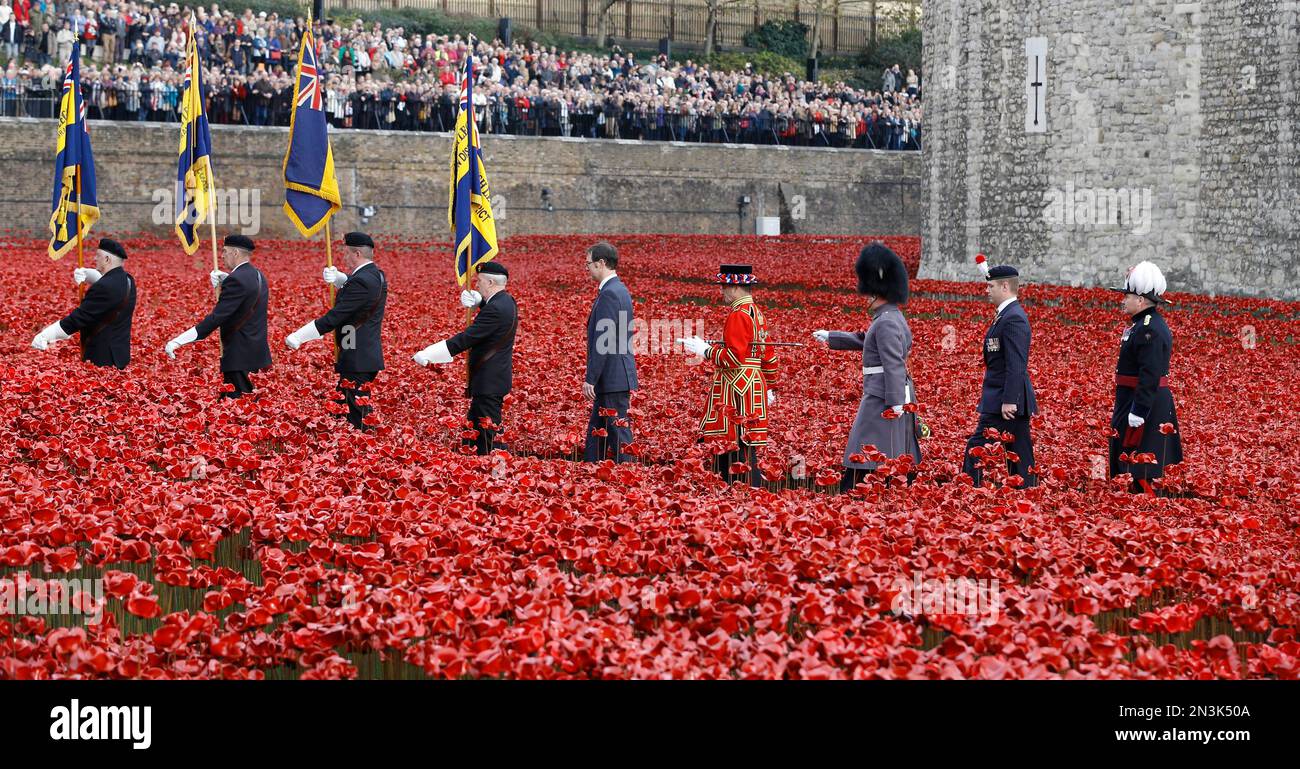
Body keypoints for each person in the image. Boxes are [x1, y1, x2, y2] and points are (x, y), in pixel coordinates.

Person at [812, 243, 921, 492]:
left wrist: (894, 402)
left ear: (876, 291)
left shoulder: (886, 322)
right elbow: (865, 339)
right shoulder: (889, 318)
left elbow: (893, 362)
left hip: (882, 394)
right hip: (883, 391)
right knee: (878, 444)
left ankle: (866, 488)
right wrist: (832, 337)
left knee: (872, 445)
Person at [677, 264, 778, 486]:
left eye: (724, 286)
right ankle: (746, 488)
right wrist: (770, 384)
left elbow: (733, 358)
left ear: (734, 288)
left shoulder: (738, 314)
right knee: (745, 444)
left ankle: (739, 488)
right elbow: (768, 354)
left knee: (735, 443)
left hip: (737, 387)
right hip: (753, 383)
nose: (722, 292)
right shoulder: (756, 313)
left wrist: (705, 350)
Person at [285, 231, 387, 431]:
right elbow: (359, 292)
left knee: (358, 417)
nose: (343, 257)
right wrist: (342, 279)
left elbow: (335, 317)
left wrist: (299, 336)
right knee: (342, 409)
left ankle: (363, 452)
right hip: (358, 352)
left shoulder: (362, 281)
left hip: (358, 356)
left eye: (346, 253)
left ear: (356, 254)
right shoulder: (375, 274)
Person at [413, 261, 517, 455]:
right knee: (477, 431)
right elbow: (492, 312)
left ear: (491, 282)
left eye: (480, 282)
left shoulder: (495, 309)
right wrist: (480, 303)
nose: (476, 285)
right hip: (493, 378)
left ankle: (499, 472)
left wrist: (430, 353)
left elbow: (466, 339)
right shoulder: (506, 301)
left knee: (489, 434)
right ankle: (482, 468)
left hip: (489, 380)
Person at [164, 234, 270, 399]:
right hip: (256, 353)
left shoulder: (236, 280)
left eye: (225, 251)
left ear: (235, 253)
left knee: (237, 408)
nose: (221, 256)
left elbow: (216, 319)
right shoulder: (258, 275)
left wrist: (178, 341)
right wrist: (226, 279)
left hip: (238, 356)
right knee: (249, 406)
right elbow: (247, 293)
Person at [960, 263, 1038, 486]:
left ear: (1005, 286)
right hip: (1004, 397)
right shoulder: (1005, 315)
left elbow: (1016, 364)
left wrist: (1009, 400)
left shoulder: (1013, 318)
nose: (987, 290)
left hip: (1005, 400)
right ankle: (1027, 489)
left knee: (977, 445)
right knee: (1019, 451)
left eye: (991, 285)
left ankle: (969, 488)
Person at [1109, 261, 1183, 493]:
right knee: (1130, 453)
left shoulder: (1149, 328)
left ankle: (1143, 501)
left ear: (1140, 300)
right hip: (1134, 399)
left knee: (1142, 458)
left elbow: (1149, 373)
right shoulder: (1143, 324)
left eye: (1127, 296)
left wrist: (1139, 410)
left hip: (1142, 402)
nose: (1123, 300)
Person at [31, 237, 137, 369]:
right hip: (120, 355)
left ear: (107, 259)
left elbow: (79, 318)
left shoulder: (105, 287)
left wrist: (46, 335)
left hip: (102, 359)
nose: (94, 259)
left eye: (98, 256)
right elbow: (110, 291)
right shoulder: (128, 280)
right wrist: (88, 274)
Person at [582, 241, 638, 462]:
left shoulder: (609, 294)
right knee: (599, 433)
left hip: (611, 377)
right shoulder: (619, 290)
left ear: (601, 263)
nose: (587, 268)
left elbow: (603, 341)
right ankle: (592, 470)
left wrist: (591, 378)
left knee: (617, 432)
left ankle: (630, 476)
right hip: (615, 376)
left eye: (589, 263)